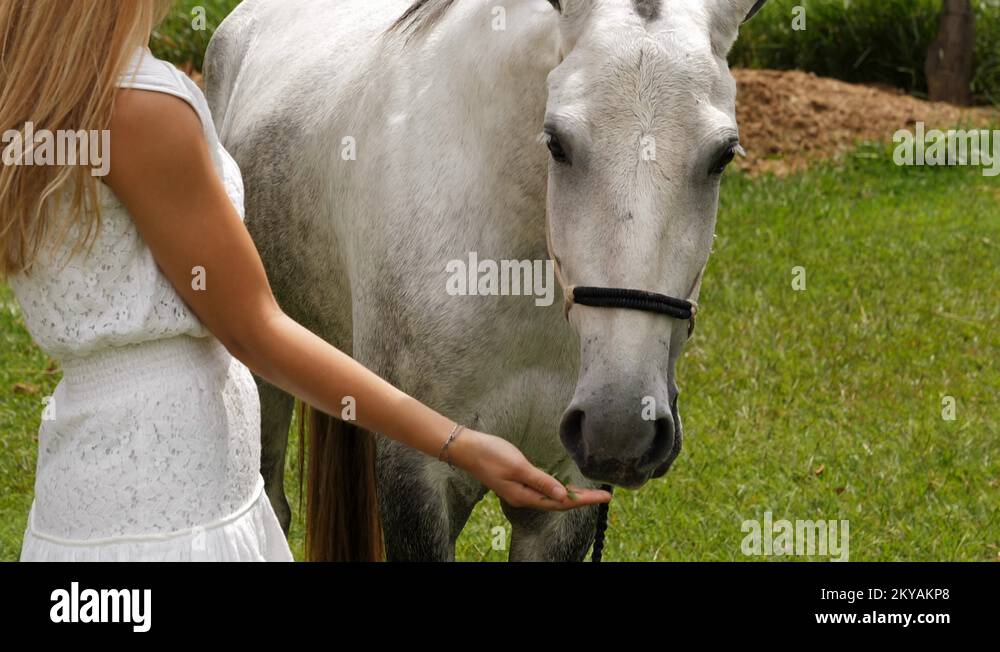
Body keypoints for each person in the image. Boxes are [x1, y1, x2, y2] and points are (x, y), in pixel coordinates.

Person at [0, 0, 610, 562]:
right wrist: (457, 442)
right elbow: (257, 331)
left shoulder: (32, 100)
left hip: (73, 500)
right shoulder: (147, 109)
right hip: (184, 505)